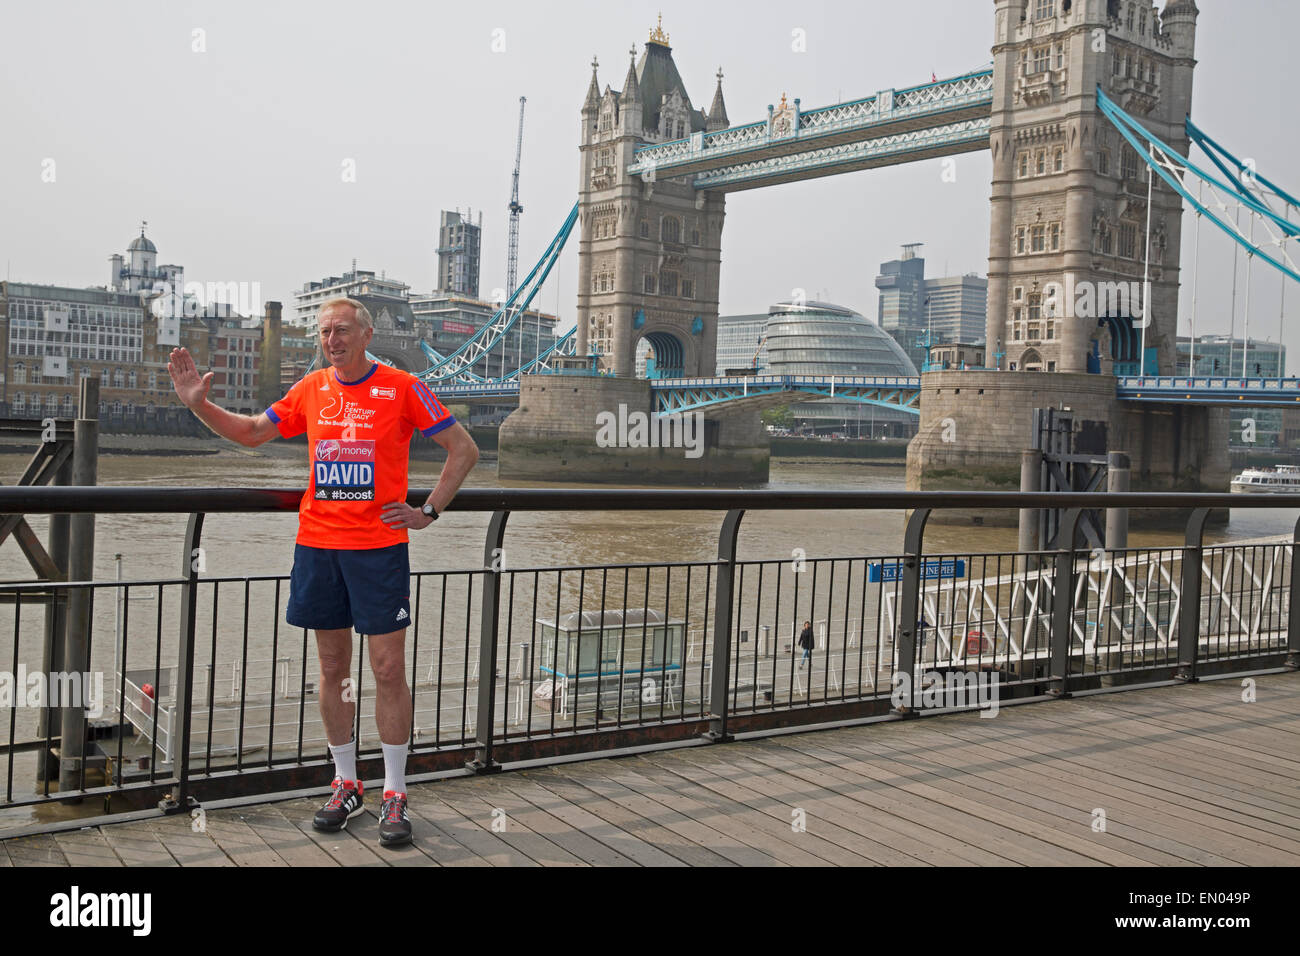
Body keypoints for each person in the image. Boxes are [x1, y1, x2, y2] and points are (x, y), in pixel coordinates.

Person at [167, 297, 479, 848]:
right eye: (323, 332)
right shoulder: (311, 389)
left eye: (340, 330)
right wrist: (199, 405)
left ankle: (396, 792)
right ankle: (345, 782)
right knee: (333, 666)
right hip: (318, 545)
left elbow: (463, 449)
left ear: (366, 333)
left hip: (378, 548)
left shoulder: (405, 387)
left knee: (385, 669)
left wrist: (427, 511)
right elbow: (251, 433)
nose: (331, 340)